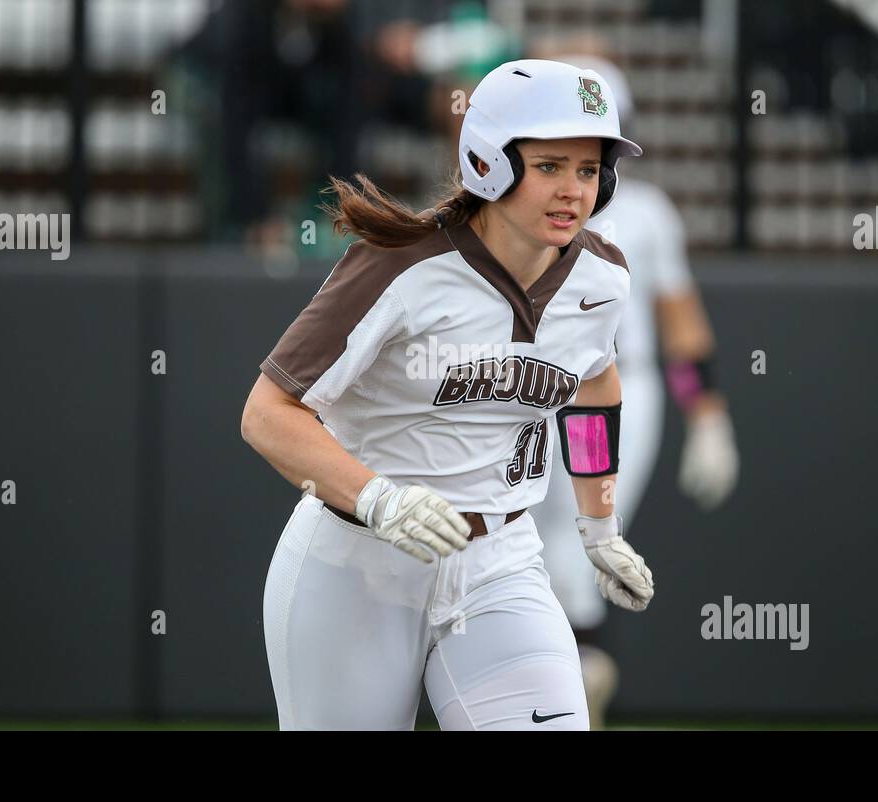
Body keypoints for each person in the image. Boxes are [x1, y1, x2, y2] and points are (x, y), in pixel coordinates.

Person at [239, 59, 653, 730]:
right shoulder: (401, 265)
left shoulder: (601, 277)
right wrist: (380, 497)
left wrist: (599, 524)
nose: (573, 189)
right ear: (491, 163)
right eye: (549, 166)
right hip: (357, 566)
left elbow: (594, 386)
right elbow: (266, 413)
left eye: (588, 169)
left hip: (502, 564)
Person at [529, 54, 740, 729]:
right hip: (529, 387)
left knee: (578, 537)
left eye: (592, 159)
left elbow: (678, 323)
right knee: (525, 537)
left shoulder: (645, 214)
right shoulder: (517, 206)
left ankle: (573, 673)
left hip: (614, 390)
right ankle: (560, 675)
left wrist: (705, 413)